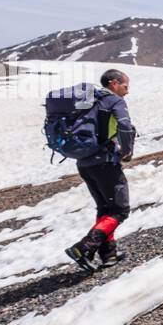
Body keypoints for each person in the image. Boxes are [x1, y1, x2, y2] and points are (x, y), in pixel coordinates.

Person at [65, 69, 136, 270]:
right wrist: (127, 151)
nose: (127, 91)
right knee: (120, 210)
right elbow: (125, 126)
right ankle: (83, 248)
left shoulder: (87, 102)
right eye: (125, 86)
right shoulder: (114, 101)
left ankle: (108, 254)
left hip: (84, 163)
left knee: (105, 209)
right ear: (114, 83)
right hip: (105, 163)